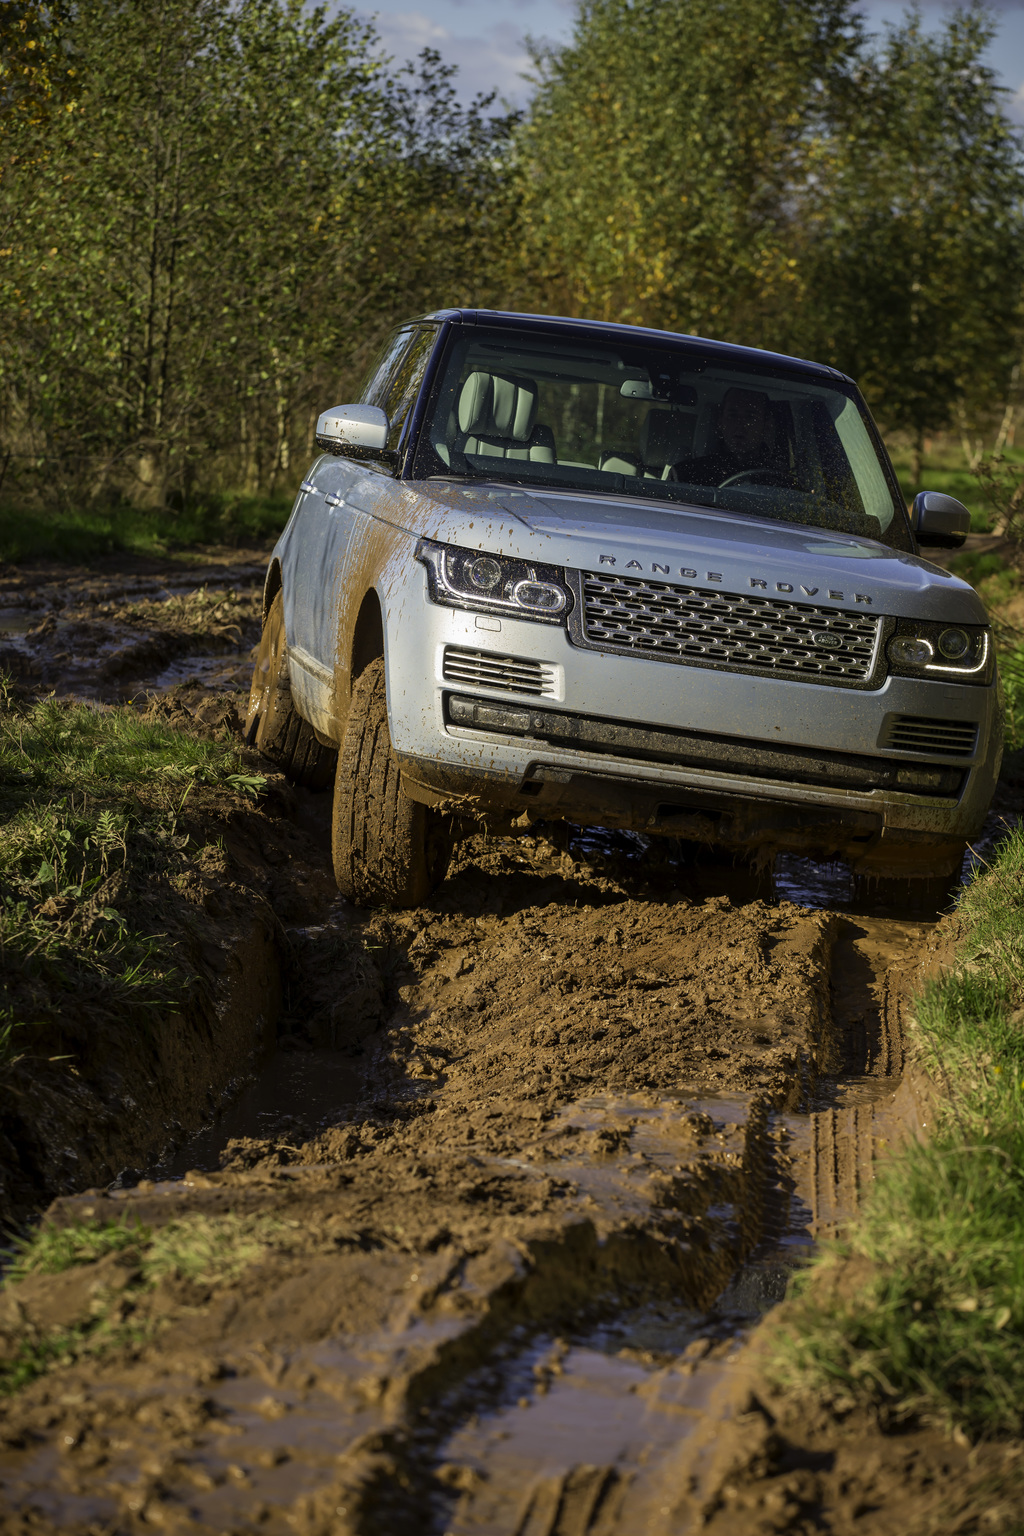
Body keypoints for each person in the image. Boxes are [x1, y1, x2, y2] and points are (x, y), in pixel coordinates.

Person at [671, 386, 774, 486]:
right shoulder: (686, 475)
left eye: (750, 417)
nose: (740, 425)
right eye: (732, 415)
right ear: (720, 421)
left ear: (767, 425)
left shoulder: (778, 479)